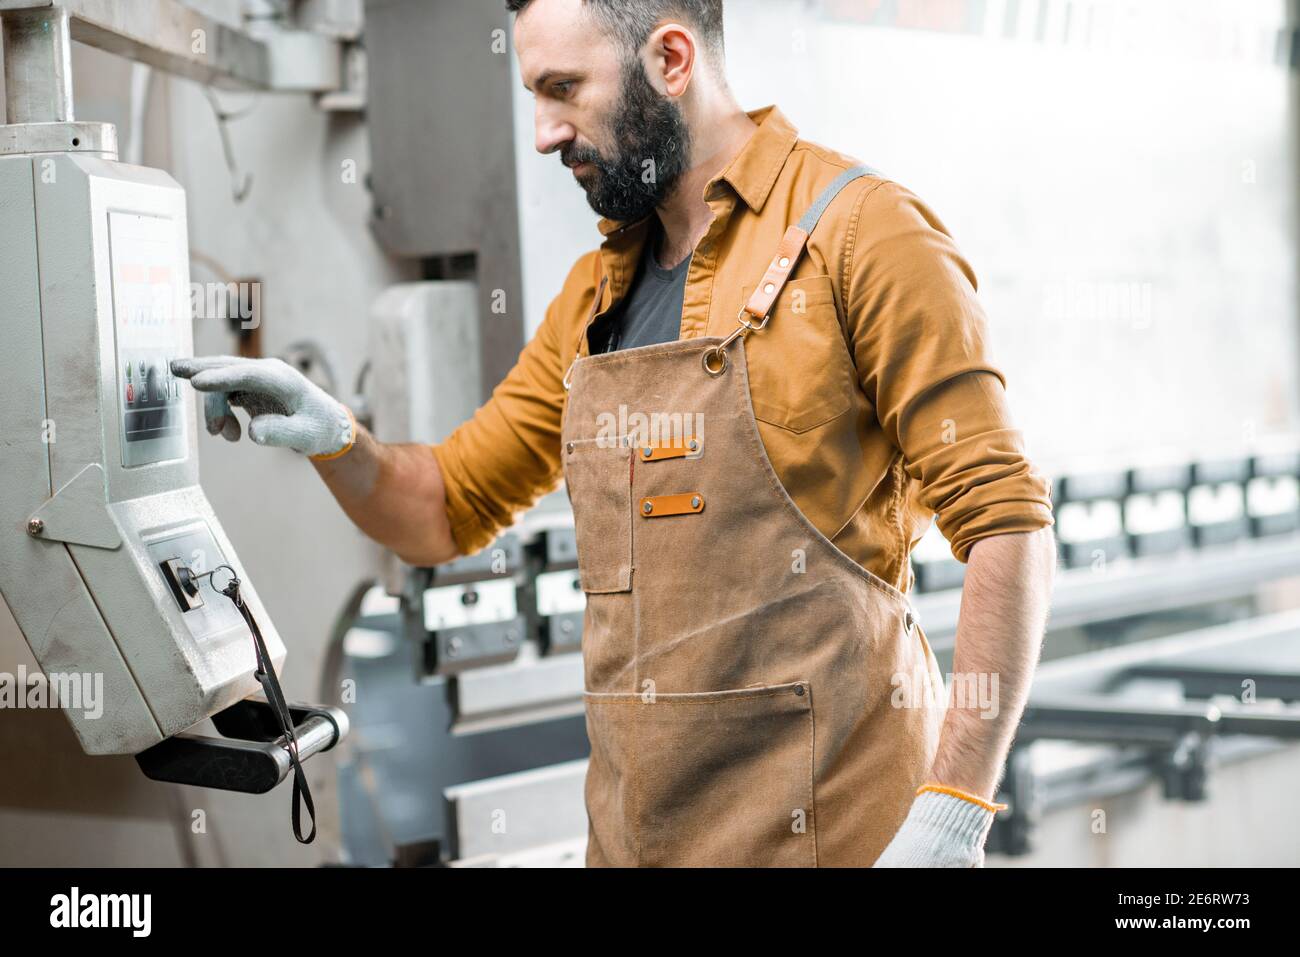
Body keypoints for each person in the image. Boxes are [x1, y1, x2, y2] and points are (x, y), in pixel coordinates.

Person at [173, 0, 1057, 868]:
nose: (544, 134)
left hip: (844, 842)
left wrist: (950, 817)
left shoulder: (864, 236)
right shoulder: (595, 297)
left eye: (564, 88)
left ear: (671, 61)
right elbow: (445, 507)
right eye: (535, 95)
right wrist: (334, 436)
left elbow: (1008, 526)